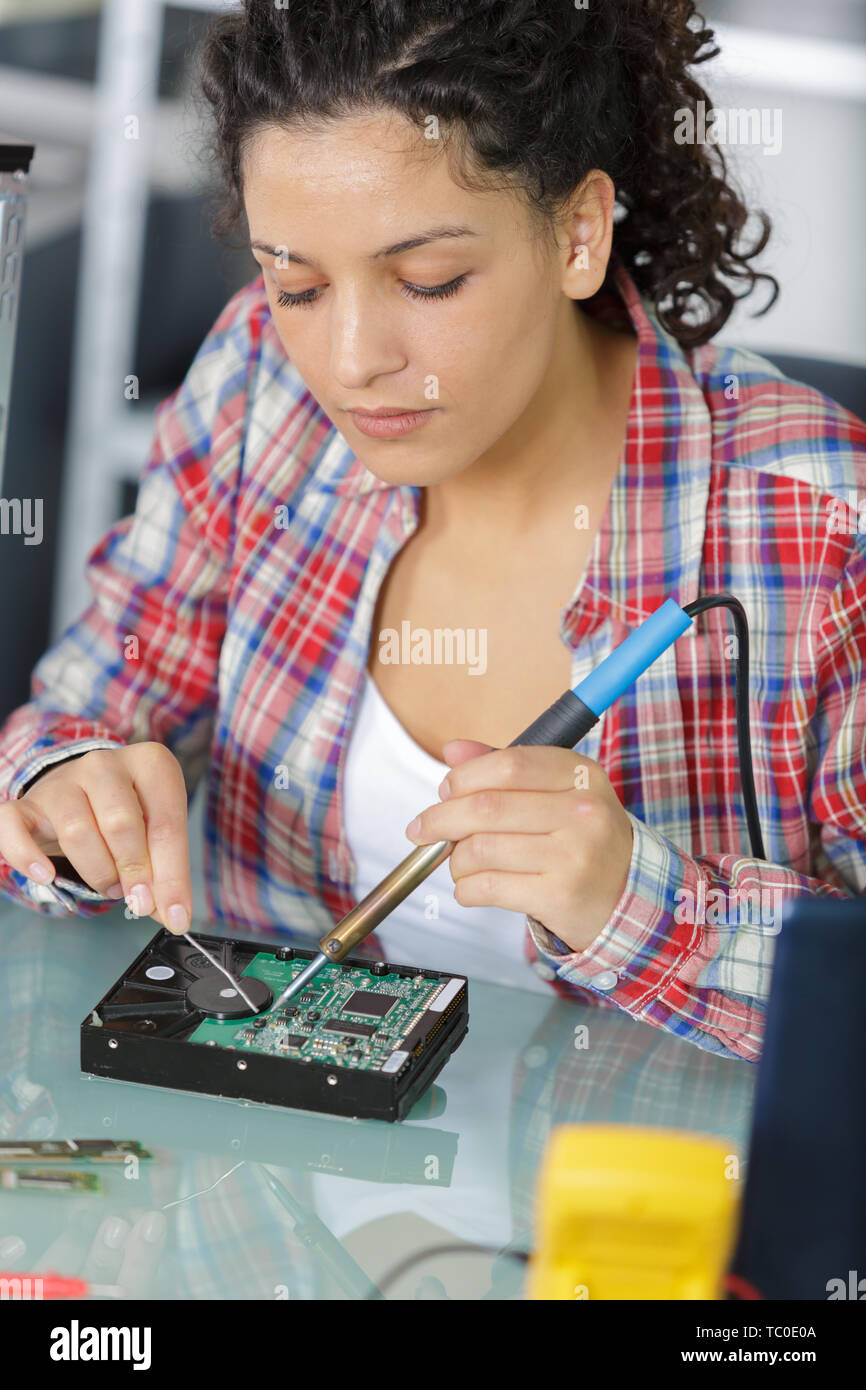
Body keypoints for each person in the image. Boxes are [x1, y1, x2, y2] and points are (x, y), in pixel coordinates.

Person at [0, 0, 863, 1063]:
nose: (352, 358)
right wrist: (60, 789)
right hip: (252, 1200)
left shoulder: (818, 523)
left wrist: (632, 901)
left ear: (577, 234)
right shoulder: (257, 385)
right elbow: (80, 708)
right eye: (297, 283)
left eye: (427, 280)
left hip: (627, 1208)